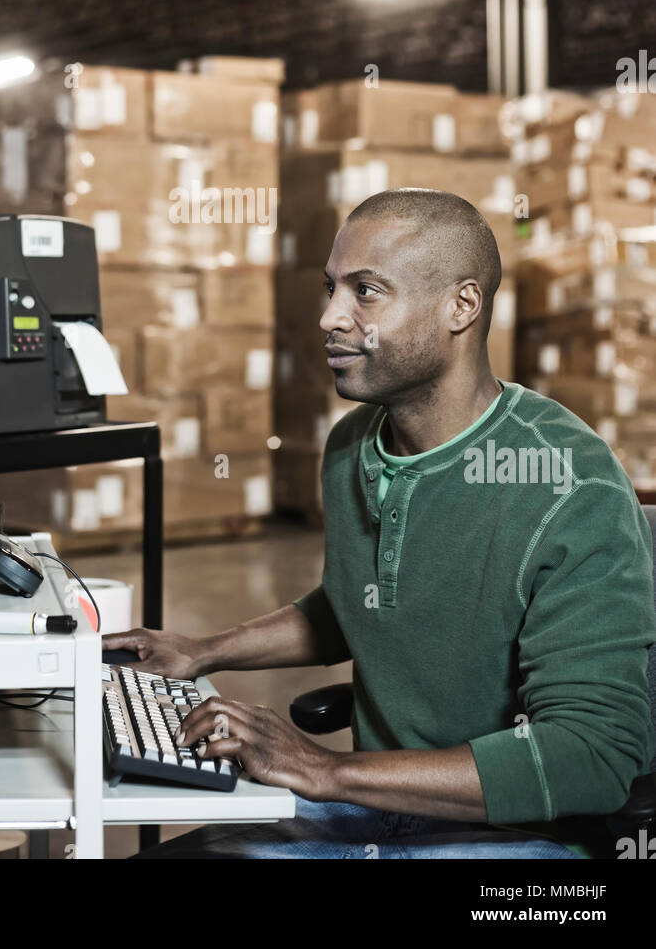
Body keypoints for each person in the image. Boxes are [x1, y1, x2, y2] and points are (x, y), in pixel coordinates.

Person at [107, 188, 655, 859]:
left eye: (367, 292)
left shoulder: (568, 483)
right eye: (332, 288)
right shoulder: (352, 448)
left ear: (462, 306)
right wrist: (204, 651)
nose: (331, 317)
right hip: (376, 808)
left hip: (520, 834)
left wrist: (323, 769)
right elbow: (362, 605)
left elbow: (592, 757)